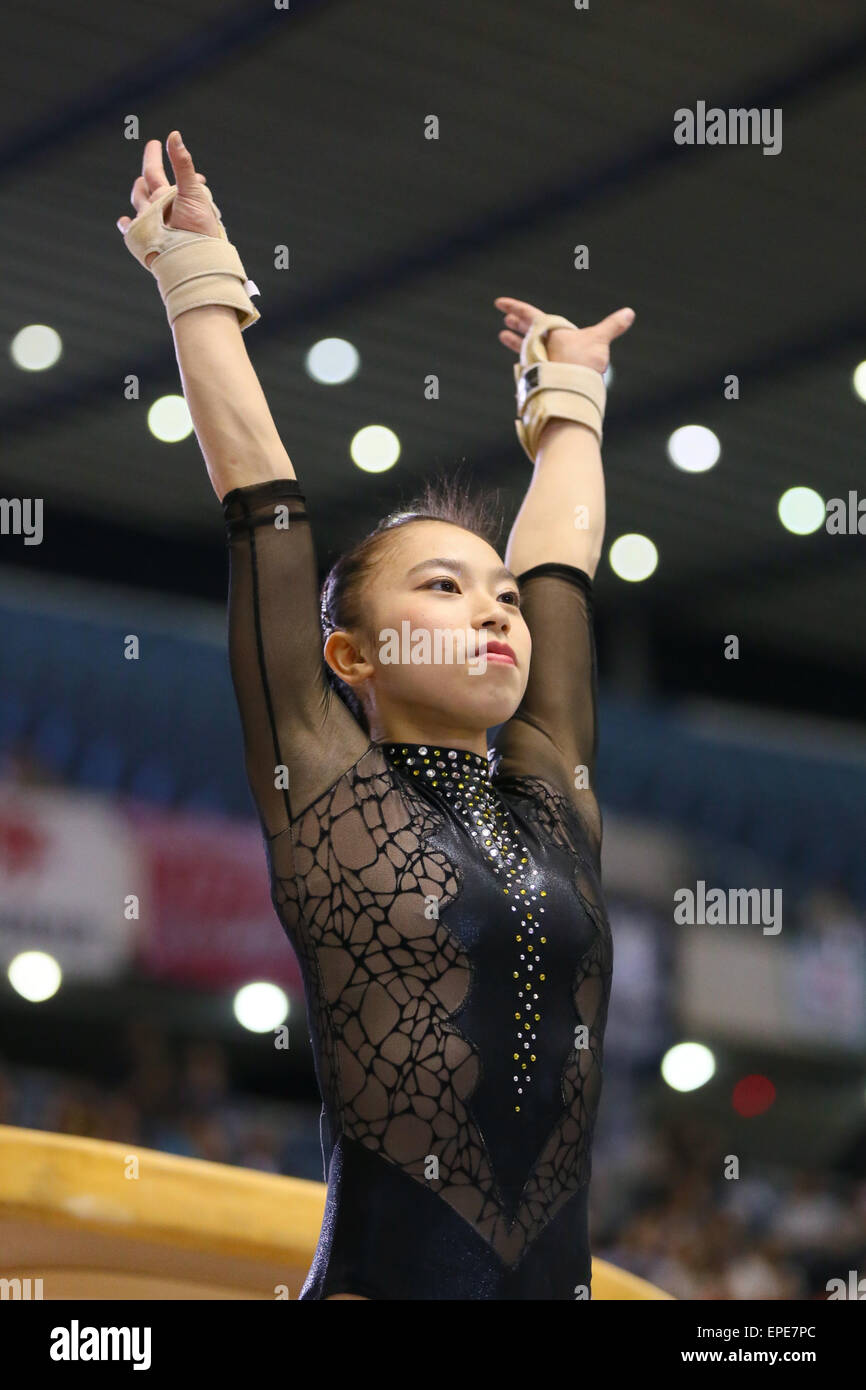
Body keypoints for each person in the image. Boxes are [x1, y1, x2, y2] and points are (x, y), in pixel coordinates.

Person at [117, 131, 635, 1300]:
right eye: (442, 589)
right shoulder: (327, 789)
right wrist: (195, 277)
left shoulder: (553, 789)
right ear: (350, 651)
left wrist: (571, 403)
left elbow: (558, 564)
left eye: (498, 598)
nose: (496, 614)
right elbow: (260, 497)